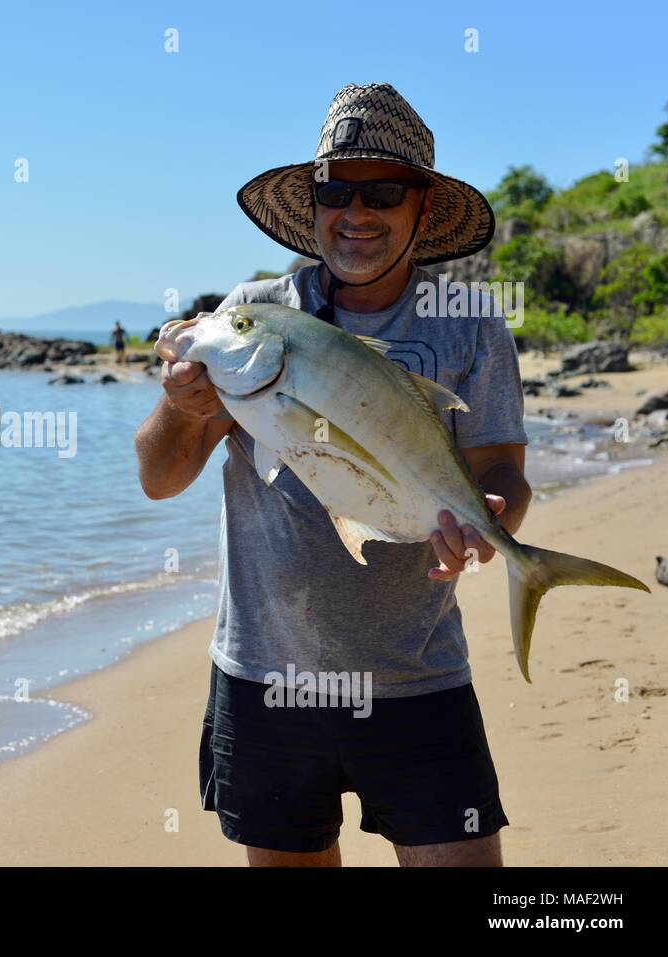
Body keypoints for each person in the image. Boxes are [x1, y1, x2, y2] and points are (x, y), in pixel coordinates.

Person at [134, 83, 529, 867]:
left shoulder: (471, 322)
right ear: (312, 203)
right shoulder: (253, 317)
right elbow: (159, 478)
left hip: (419, 675)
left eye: (382, 190)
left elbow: (502, 478)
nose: (355, 211)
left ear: (423, 207)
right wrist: (183, 405)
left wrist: (491, 526)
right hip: (265, 678)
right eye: (334, 189)